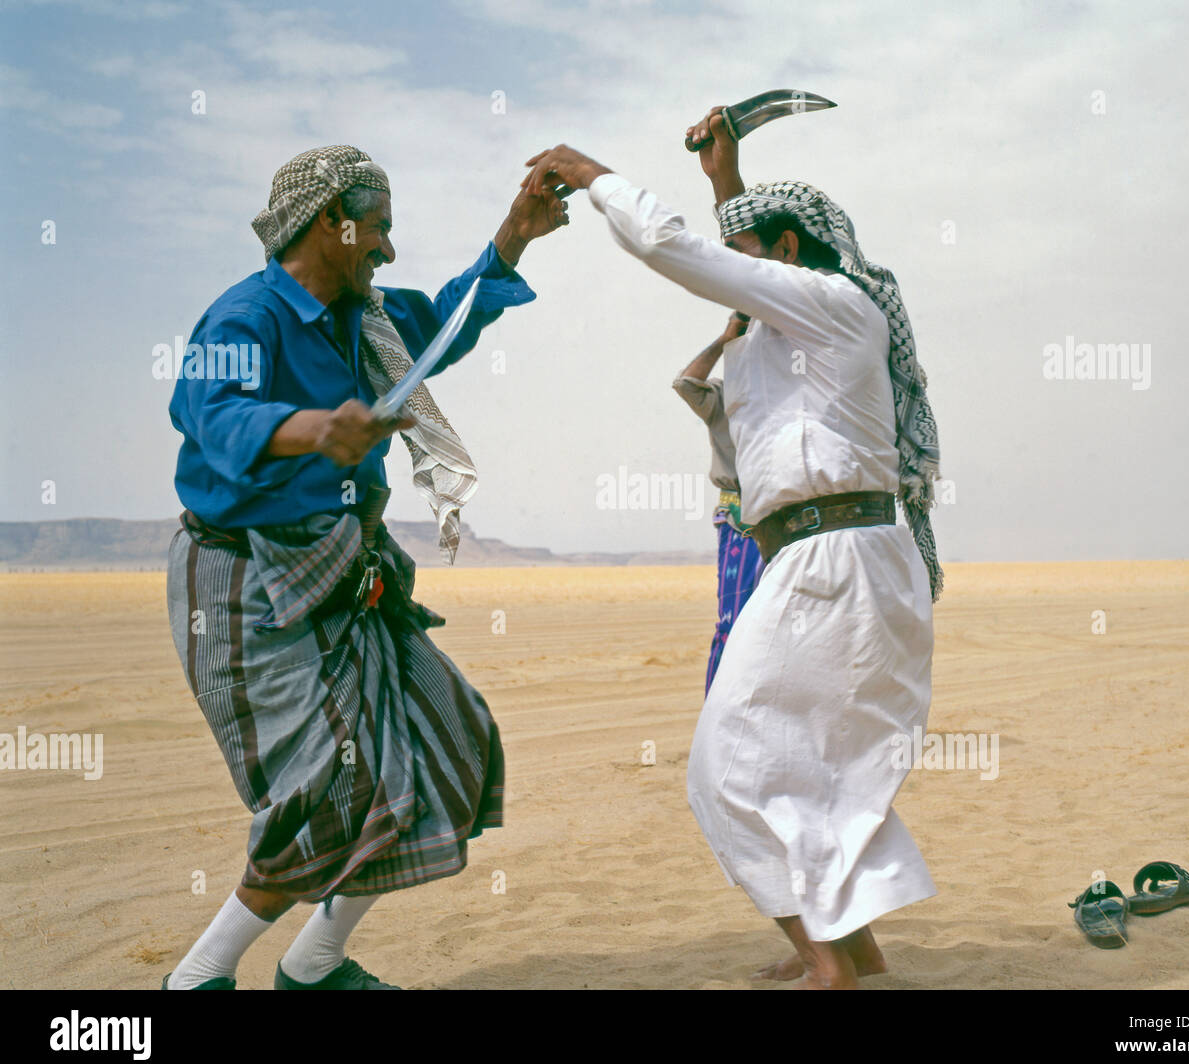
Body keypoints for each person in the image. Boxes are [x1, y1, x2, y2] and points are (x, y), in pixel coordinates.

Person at [522, 109, 943, 990]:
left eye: (755, 247)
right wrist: (728, 177)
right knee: (810, 772)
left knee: (725, 772)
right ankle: (855, 954)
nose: (741, 265)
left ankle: (825, 966)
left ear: (788, 250)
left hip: (840, 561)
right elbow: (739, 271)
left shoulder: (838, 307)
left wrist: (595, 174)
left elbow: (687, 251)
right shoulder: (771, 334)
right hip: (815, 564)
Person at [162, 144, 567, 990]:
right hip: (250, 581)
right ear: (329, 225)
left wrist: (515, 236)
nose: (386, 248)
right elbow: (208, 412)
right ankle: (198, 976)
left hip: (350, 572)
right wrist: (313, 429)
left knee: (446, 738)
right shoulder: (245, 317)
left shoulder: (366, 318)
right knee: (328, 783)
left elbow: (450, 323)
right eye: (376, 230)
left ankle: (313, 965)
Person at [672, 312, 764, 693]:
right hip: (742, 517)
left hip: (785, 516)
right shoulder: (722, 398)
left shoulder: (783, 401)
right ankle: (719, 714)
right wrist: (727, 336)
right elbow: (686, 383)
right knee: (733, 621)